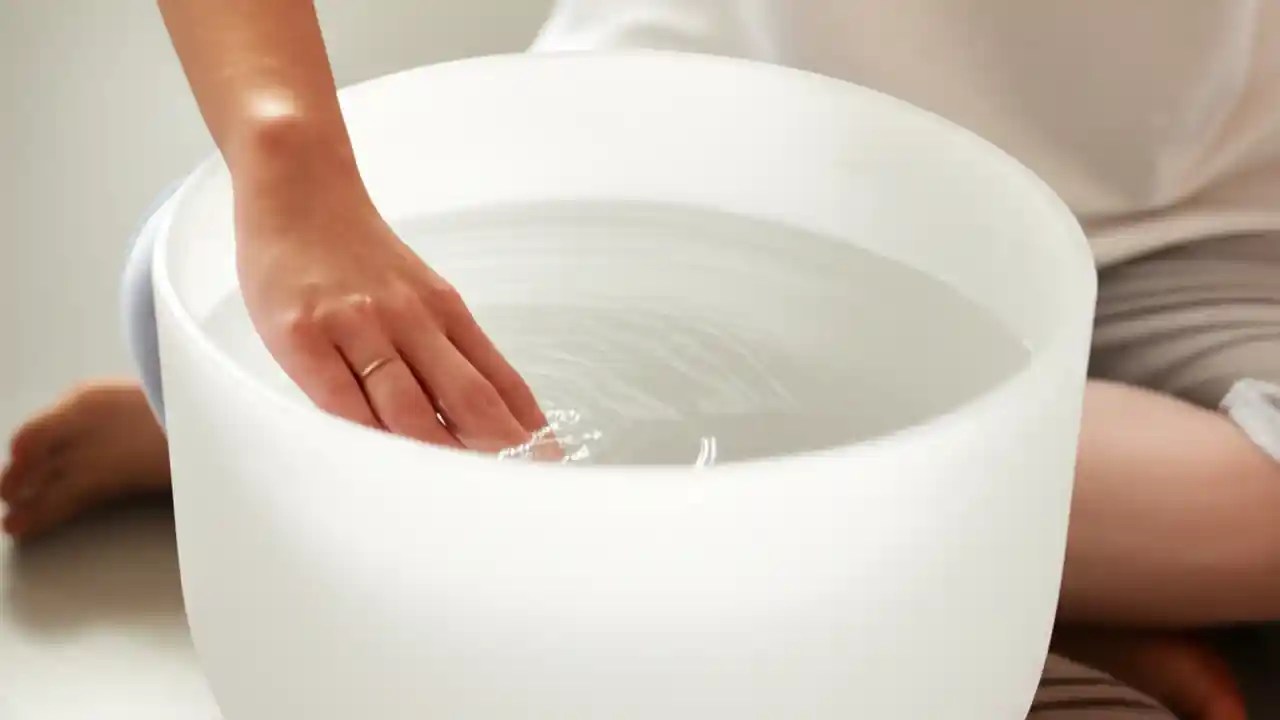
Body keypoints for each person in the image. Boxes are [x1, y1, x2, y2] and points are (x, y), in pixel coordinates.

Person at [4, 1, 1278, 717]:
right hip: (732, 135)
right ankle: (1033, 586)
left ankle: (1014, 580)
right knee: (180, 291)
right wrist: (287, 155)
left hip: (1203, 205)